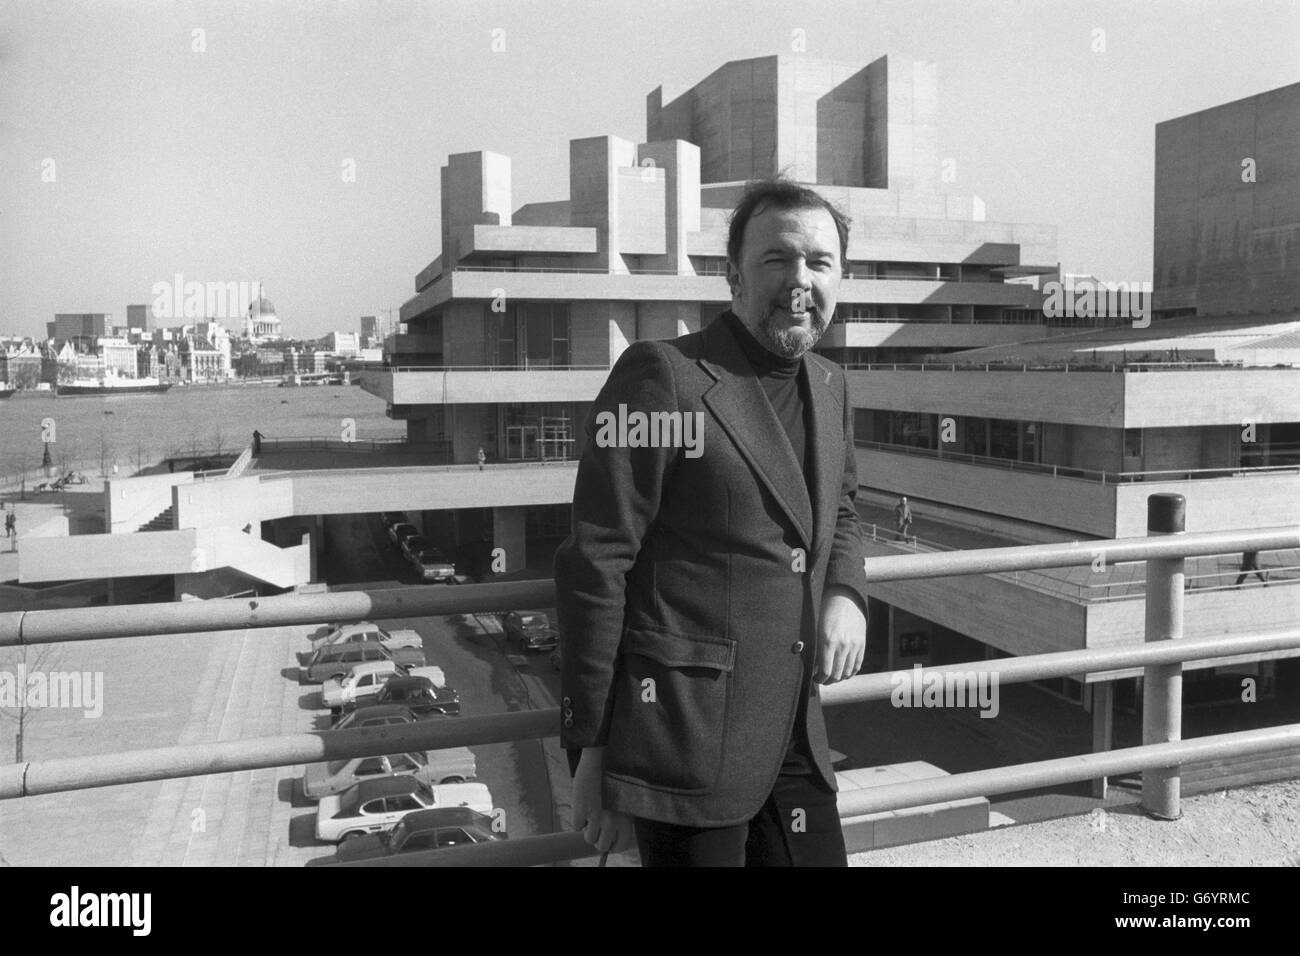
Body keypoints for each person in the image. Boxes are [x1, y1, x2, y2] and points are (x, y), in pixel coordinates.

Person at [554, 177, 870, 867]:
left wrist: (846, 592)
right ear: (732, 276)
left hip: (796, 746)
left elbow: (840, 511)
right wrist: (592, 748)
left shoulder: (831, 384)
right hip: (686, 751)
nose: (799, 281)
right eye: (776, 259)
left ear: (840, 278)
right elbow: (596, 562)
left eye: (819, 263)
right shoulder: (661, 376)